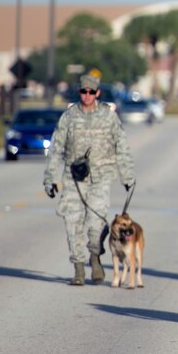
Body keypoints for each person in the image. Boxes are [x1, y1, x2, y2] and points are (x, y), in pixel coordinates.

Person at [43, 73, 135, 285]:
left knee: (96, 225)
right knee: (72, 222)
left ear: (97, 93)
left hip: (101, 177)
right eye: (83, 91)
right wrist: (50, 179)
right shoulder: (69, 116)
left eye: (91, 92)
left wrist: (127, 176)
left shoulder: (108, 116)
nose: (87, 95)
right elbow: (56, 149)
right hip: (74, 178)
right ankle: (78, 268)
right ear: (79, 92)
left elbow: (122, 146)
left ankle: (95, 256)